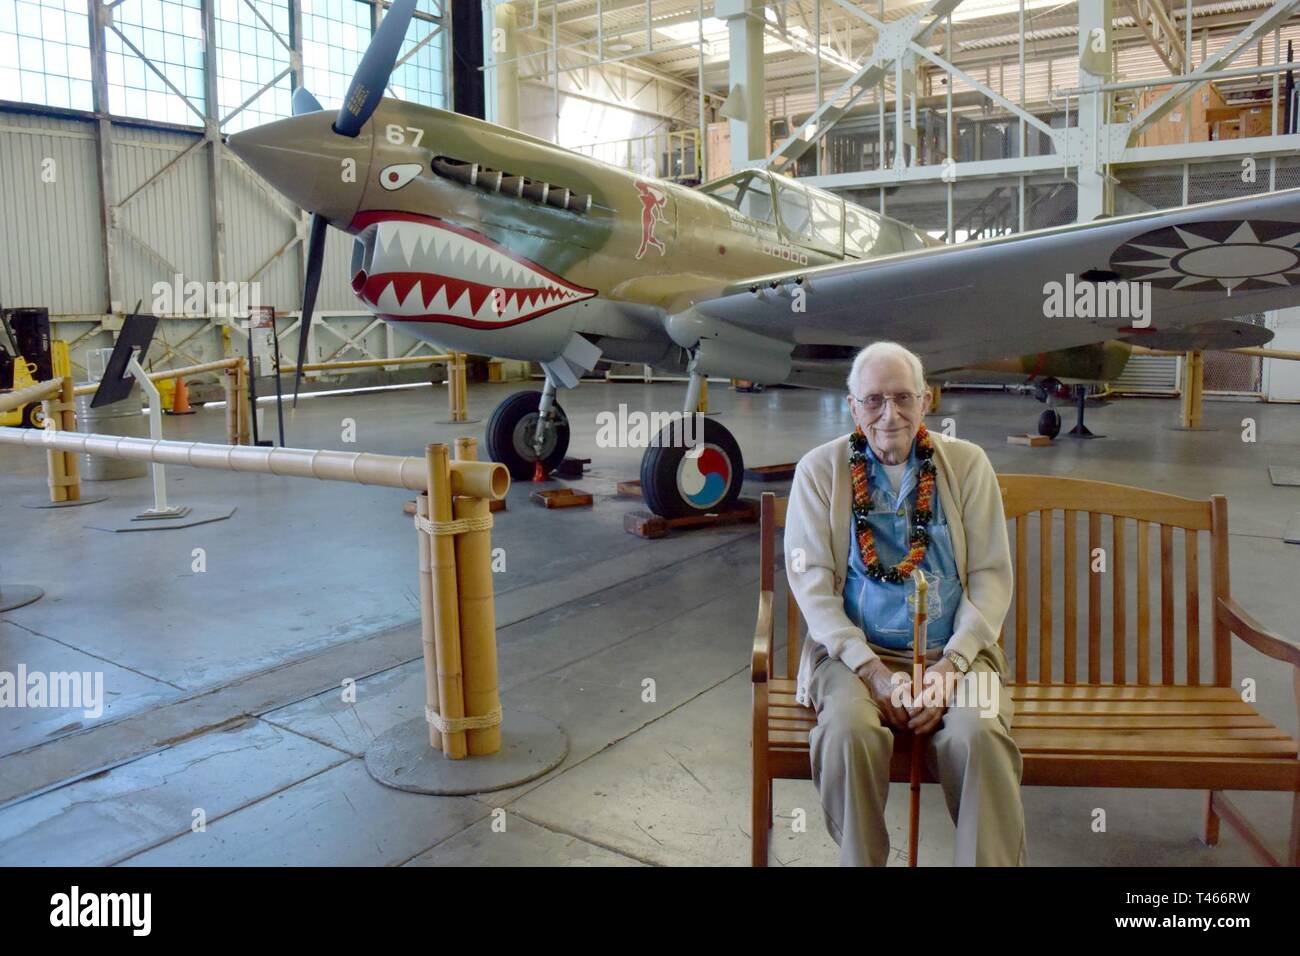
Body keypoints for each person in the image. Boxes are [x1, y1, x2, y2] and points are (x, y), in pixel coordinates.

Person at [783, 340, 1028, 866]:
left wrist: (952, 665)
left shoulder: (966, 463)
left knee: (979, 732)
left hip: (958, 654)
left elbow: (989, 576)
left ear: (927, 400)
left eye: (902, 397)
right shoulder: (819, 470)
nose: (889, 414)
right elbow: (813, 588)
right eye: (873, 400)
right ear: (852, 406)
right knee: (848, 733)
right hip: (853, 658)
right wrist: (872, 672)